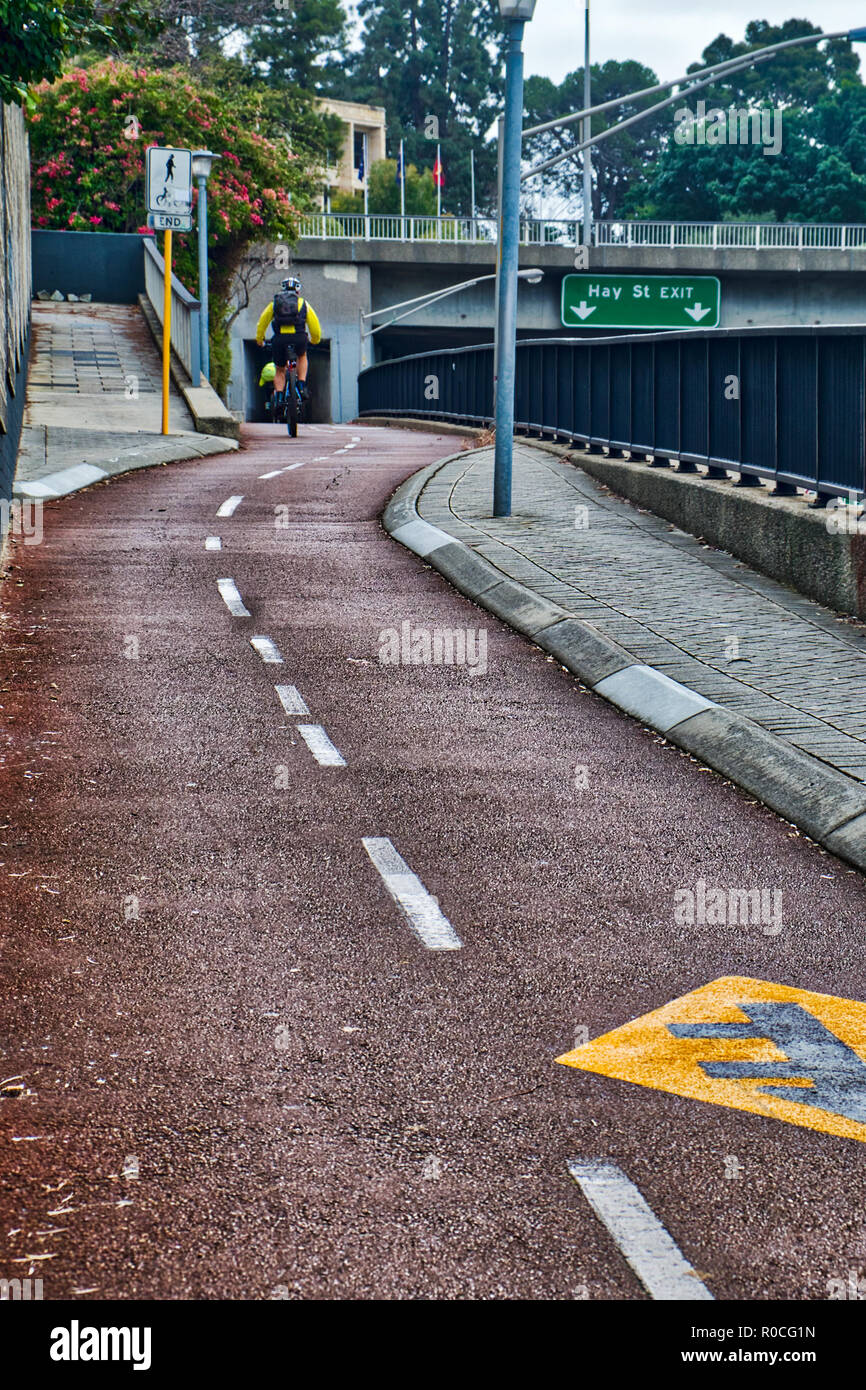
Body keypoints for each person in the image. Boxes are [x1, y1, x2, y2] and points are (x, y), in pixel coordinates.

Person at [255, 276, 321, 406]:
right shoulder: (303, 304)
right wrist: (315, 340)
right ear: (298, 291)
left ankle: (279, 397)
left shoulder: (274, 304)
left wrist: (260, 339)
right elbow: (315, 326)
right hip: (299, 338)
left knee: (279, 369)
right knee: (302, 356)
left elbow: (262, 322)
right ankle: (301, 384)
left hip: (279, 340)